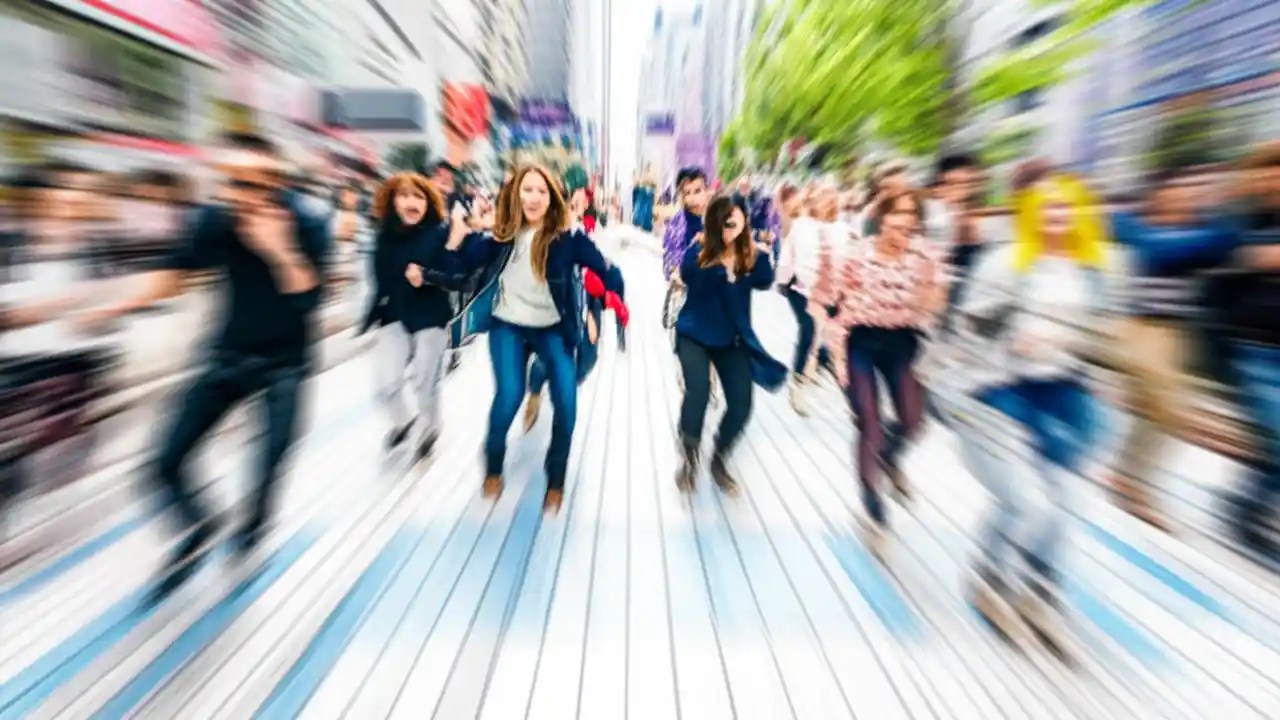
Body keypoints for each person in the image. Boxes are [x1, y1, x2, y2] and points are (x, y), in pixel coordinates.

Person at [76, 132, 329, 597]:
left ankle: (251, 530)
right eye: (231, 182)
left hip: (286, 364)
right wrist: (111, 308)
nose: (240, 194)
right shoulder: (213, 219)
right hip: (227, 355)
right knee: (162, 464)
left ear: (276, 183)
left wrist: (278, 251)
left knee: (270, 461)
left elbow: (310, 299)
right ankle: (198, 527)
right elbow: (173, 278)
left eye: (253, 183)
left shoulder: (308, 223)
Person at [953, 174, 1112, 653]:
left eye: (1065, 208)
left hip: (1065, 393)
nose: (1056, 216)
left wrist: (1074, 344)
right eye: (1046, 207)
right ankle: (991, 578)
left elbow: (1101, 333)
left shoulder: (1090, 269)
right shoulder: (1005, 262)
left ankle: (1041, 590)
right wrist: (1010, 339)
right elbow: (967, 325)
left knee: (1065, 503)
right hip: (1004, 390)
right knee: (1027, 501)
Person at [440, 165, 624, 514]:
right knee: (508, 395)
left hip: (553, 329)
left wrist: (602, 303)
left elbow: (605, 271)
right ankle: (493, 465)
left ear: (552, 197)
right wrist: (455, 237)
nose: (534, 197)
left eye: (542, 191)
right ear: (516, 195)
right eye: (527, 190)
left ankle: (556, 479)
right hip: (507, 326)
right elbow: (457, 269)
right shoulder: (501, 237)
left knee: (567, 406)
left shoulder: (568, 239)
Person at [827, 189, 942, 535]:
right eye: (898, 213)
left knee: (913, 420)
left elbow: (933, 305)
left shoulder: (925, 257)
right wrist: (837, 360)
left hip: (902, 342)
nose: (905, 221)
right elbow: (834, 308)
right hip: (860, 340)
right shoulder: (856, 254)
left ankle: (889, 456)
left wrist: (930, 290)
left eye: (912, 215)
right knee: (869, 421)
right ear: (882, 217)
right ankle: (870, 490)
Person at [673, 195, 786, 494]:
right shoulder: (699, 252)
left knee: (741, 404)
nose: (730, 230)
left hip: (731, 338)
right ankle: (689, 451)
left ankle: (720, 455)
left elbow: (765, 280)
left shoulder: (751, 255)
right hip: (694, 334)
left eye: (735, 223)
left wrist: (756, 253)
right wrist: (717, 260)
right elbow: (687, 274)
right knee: (698, 391)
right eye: (723, 224)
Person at [361, 172, 458, 460]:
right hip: (394, 314)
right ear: (392, 201)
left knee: (424, 380)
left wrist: (427, 276)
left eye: (418, 196)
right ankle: (404, 422)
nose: (411, 202)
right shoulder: (383, 236)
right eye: (404, 195)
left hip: (431, 314)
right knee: (386, 384)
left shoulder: (441, 233)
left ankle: (430, 427)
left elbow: (456, 275)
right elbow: (378, 279)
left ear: (429, 203)